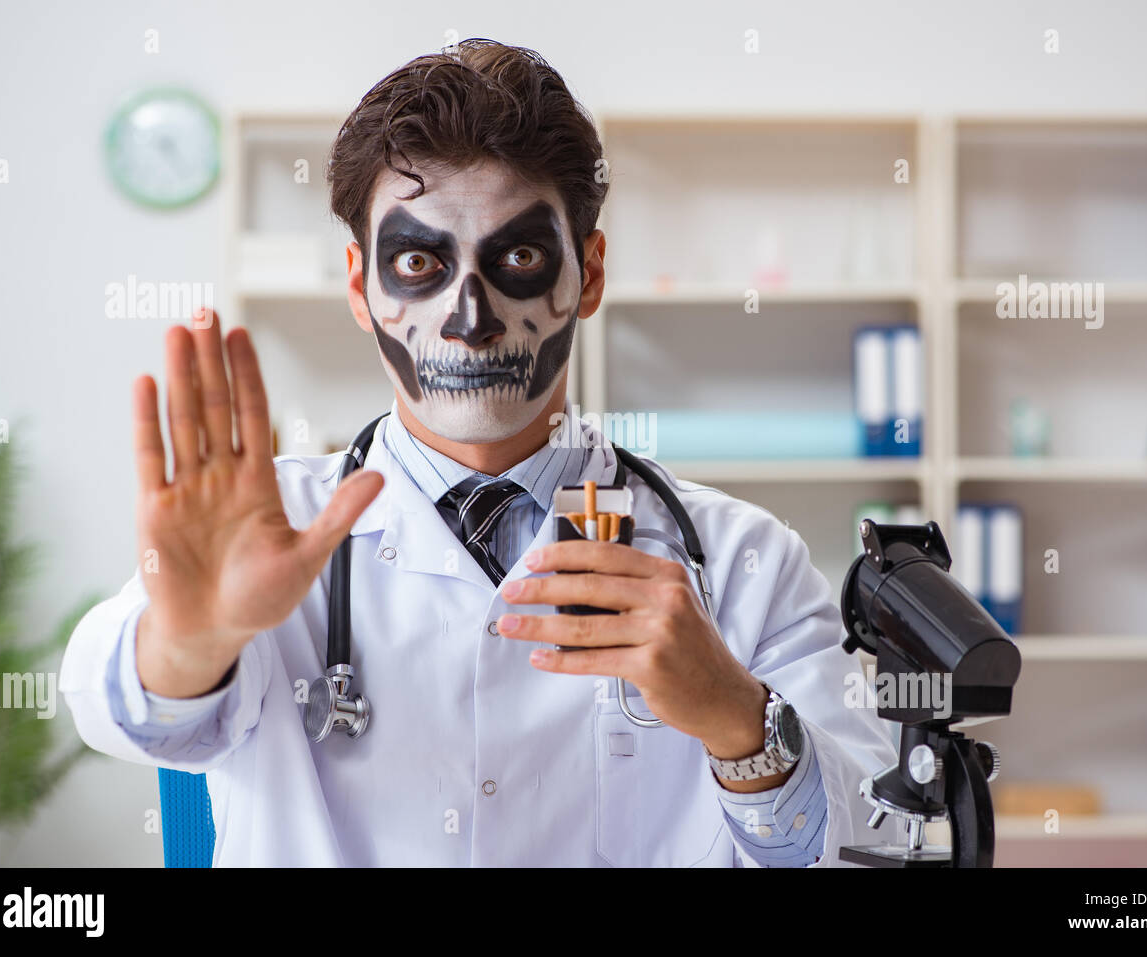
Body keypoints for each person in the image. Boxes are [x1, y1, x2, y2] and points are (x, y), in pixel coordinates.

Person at [60, 38, 897, 867]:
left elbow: (864, 843)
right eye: (420, 261)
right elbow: (120, 710)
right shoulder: (268, 532)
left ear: (590, 273)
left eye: (520, 257)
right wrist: (191, 641)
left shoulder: (745, 560)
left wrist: (736, 716)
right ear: (360, 287)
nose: (471, 318)